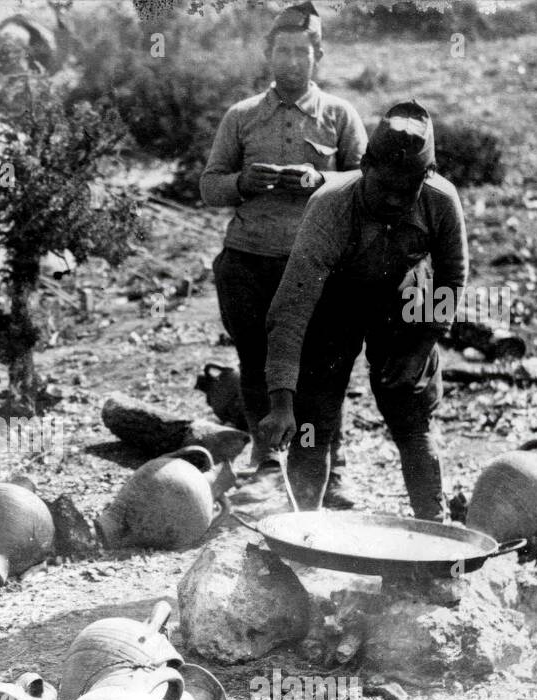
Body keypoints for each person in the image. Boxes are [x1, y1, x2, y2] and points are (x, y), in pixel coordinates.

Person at [258, 101, 469, 522]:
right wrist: (282, 401)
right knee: (312, 424)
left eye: (404, 190)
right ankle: (303, 532)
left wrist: (422, 344)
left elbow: (452, 276)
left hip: (406, 302)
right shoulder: (330, 206)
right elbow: (292, 308)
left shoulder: (441, 201)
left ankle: (434, 526)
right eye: (383, 186)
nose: (392, 199)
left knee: (411, 417)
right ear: (364, 165)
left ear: (425, 178)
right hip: (335, 304)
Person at [200, 1, 365, 507]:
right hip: (249, 262)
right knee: (255, 363)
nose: (292, 62)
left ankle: (326, 469)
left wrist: (322, 180)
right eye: (283, 52)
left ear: (318, 56)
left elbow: (368, 184)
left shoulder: (339, 115)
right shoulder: (242, 116)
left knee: (321, 370)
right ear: (269, 55)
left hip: (319, 269)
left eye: (302, 52)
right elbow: (209, 186)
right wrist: (241, 182)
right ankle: (269, 464)